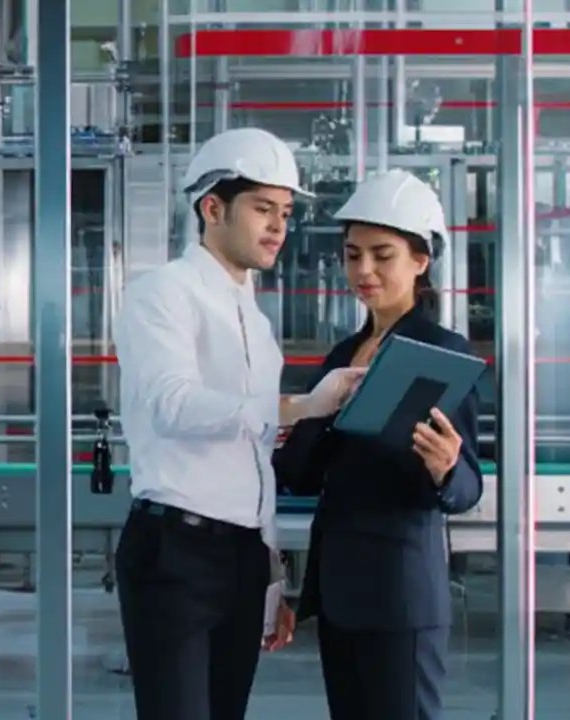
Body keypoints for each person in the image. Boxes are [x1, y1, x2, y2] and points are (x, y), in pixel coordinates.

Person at [112, 127, 366, 720]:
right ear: (212, 208)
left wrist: (272, 574)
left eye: (284, 212)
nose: (278, 226)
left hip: (243, 556)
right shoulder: (161, 294)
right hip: (175, 550)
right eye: (262, 209)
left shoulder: (254, 318)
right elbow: (171, 403)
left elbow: (252, 462)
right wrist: (298, 408)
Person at [273, 169, 484, 720]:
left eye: (382, 255)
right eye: (352, 254)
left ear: (420, 260)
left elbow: (466, 486)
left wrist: (446, 470)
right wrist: (297, 414)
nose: (363, 270)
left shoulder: (441, 353)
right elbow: (301, 471)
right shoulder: (343, 354)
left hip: (400, 596)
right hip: (340, 593)